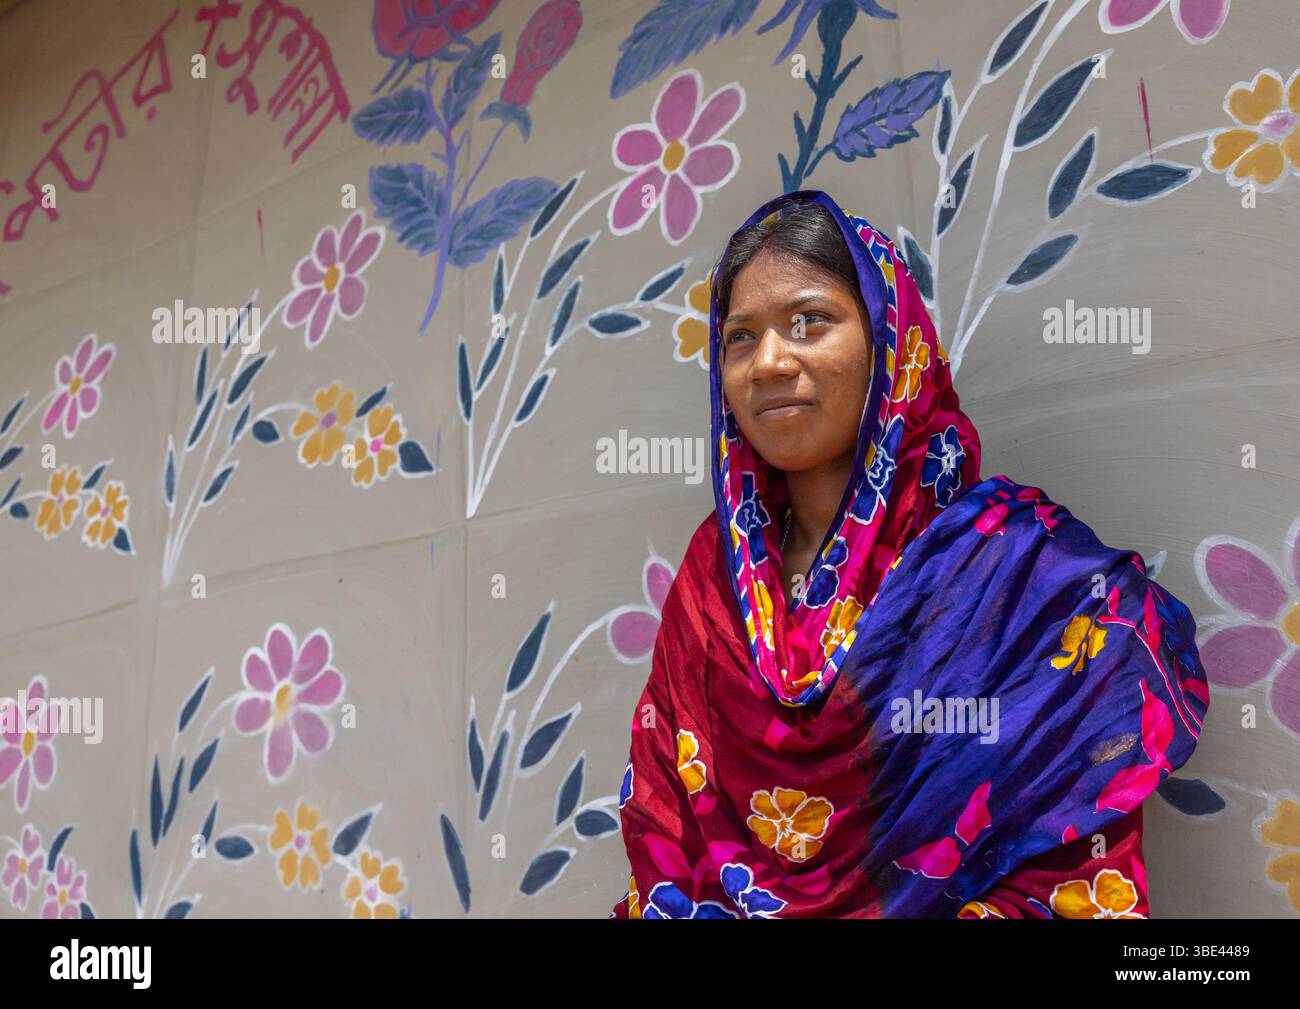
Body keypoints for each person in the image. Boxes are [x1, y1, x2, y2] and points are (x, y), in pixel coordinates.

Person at [610, 190, 1210, 919]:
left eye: (809, 322)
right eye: (740, 337)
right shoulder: (714, 582)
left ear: (890, 345)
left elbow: (1069, 878)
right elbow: (662, 826)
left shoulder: (1020, 576)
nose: (768, 361)